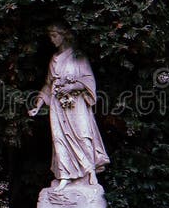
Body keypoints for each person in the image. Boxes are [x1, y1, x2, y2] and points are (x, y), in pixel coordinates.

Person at [28, 24, 110, 188]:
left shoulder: (78, 56)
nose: (52, 40)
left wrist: (72, 87)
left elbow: (88, 81)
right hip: (58, 106)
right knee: (60, 138)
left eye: (54, 35)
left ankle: (89, 172)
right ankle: (65, 175)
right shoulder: (54, 59)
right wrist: (38, 104)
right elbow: (47, 84)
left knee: (82, 134)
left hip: (76, 104)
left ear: (63, 35)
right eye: (50, 36)